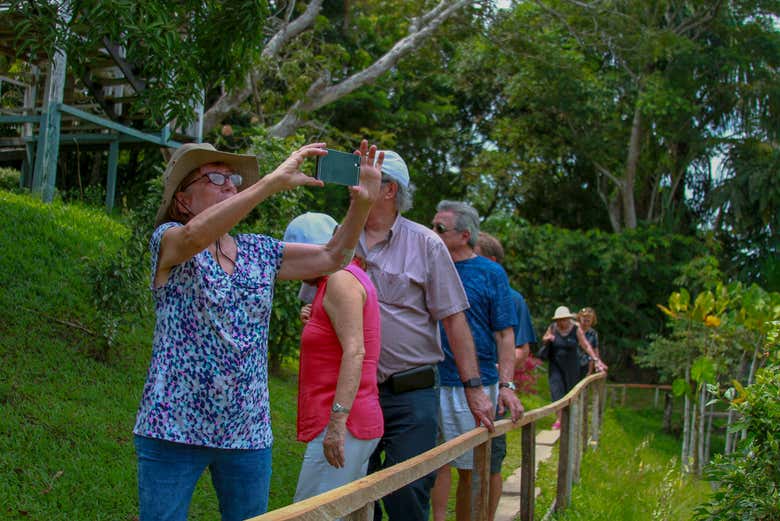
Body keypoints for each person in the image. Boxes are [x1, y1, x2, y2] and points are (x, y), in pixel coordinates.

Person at [133, 141, 382, 521]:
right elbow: (193, 238)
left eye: (232, 178)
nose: (230, 185)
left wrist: (361, 204)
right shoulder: (169, 240)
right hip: (172, 426)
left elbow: (334, 257)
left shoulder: (257, 251)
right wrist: (269, 183)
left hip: (246, 431)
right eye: (215, 177)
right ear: (183, 200)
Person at [358, 151, 494, 521]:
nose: (355, 181)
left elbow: (454, 321)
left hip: (411, 394)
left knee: (405, 494)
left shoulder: (426, 244)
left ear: (389, 190)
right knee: (352, 494)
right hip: (353, 392)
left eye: (366, 175)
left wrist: (474, 388)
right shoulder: (339, 239)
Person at [430, 203, 523, 521]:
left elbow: (505, 335)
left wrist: (508, 385)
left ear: (465, 235)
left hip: (479, 385)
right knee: (435, 464)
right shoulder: (428, 264)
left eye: (440, 228)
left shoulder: (490, 273)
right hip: (431, 381)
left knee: (474, 470)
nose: (432, 233)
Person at [283, 212, 383, 503]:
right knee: (343, 511)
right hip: (347, 419)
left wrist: (337, 424)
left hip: (344, 422)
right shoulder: (338, 279)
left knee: (312, 511)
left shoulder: (340, 279)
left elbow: (355, 351)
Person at [474, 231, 537, 521]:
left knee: (492, 461)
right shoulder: (458, 288)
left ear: (492, 262)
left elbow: (522, 348)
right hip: (457, 385)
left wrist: (502, 369)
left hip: (493, 387)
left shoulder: (513, 299)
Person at [541, 306, 606, 429]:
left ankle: (571, 419)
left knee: (570, 391)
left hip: (571, 366)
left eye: (564, 319)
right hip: (556, 365)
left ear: (568, 319)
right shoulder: (553, 327)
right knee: (556, 391)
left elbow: (586, 346)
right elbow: (544, 339)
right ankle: (560, 419)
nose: (561, 322)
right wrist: (548, 339)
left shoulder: (576, 329)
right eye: (559, 320)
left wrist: (596, 360)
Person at [577, 307, 600, 379]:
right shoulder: (574, 329)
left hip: (585, 364)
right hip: (571, 362)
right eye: (584, 317)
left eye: (589, 318)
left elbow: (595, 349)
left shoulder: (593, 333)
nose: (586, 319)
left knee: (582, 386)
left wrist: (597, 363)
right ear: (580, 317)